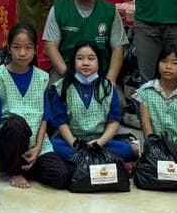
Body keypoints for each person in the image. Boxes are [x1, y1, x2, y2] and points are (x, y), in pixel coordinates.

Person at [0, 24, 69, 189]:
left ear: (36, 50)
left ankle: (26, 166)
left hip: (37, 144)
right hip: (10, 141)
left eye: (28, 48)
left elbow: (44, 116)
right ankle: (14, 170)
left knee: (61, 176)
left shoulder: (42, 77)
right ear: (9, 48)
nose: (22, 53)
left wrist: (37, 148)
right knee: (17, 123)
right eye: (17, 47)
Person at [46, 42, 137, 175]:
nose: (86, 62)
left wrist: (100, 142)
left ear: (99, 62)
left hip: (100, 142)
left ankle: (83, 164)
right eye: (80, 58)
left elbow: (114, 121)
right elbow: (61, 122)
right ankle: (105, 163)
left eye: (91, 58)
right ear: (73, 62)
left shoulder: (108, 87)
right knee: (54, 147)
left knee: (127, 150)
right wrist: (75, 144)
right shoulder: (61, 87)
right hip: (71, 142)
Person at [43, 0, 128, 81]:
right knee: (53, 94)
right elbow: (51, 46)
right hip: (65, 72)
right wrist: (68, 77)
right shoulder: (58, 10)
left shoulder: (110, 11)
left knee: (118, 99)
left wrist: (111, 80)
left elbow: (118, 48)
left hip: (101, 74)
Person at [133, 48, 177, 166]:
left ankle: (163, 164)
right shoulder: (145, 91)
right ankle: (164, 163)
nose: (168, 66)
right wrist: (154, 149)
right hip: (153, 144)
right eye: (164, 61)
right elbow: (146, 125)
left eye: (175, 63)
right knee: (134, 148)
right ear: (158, 65)